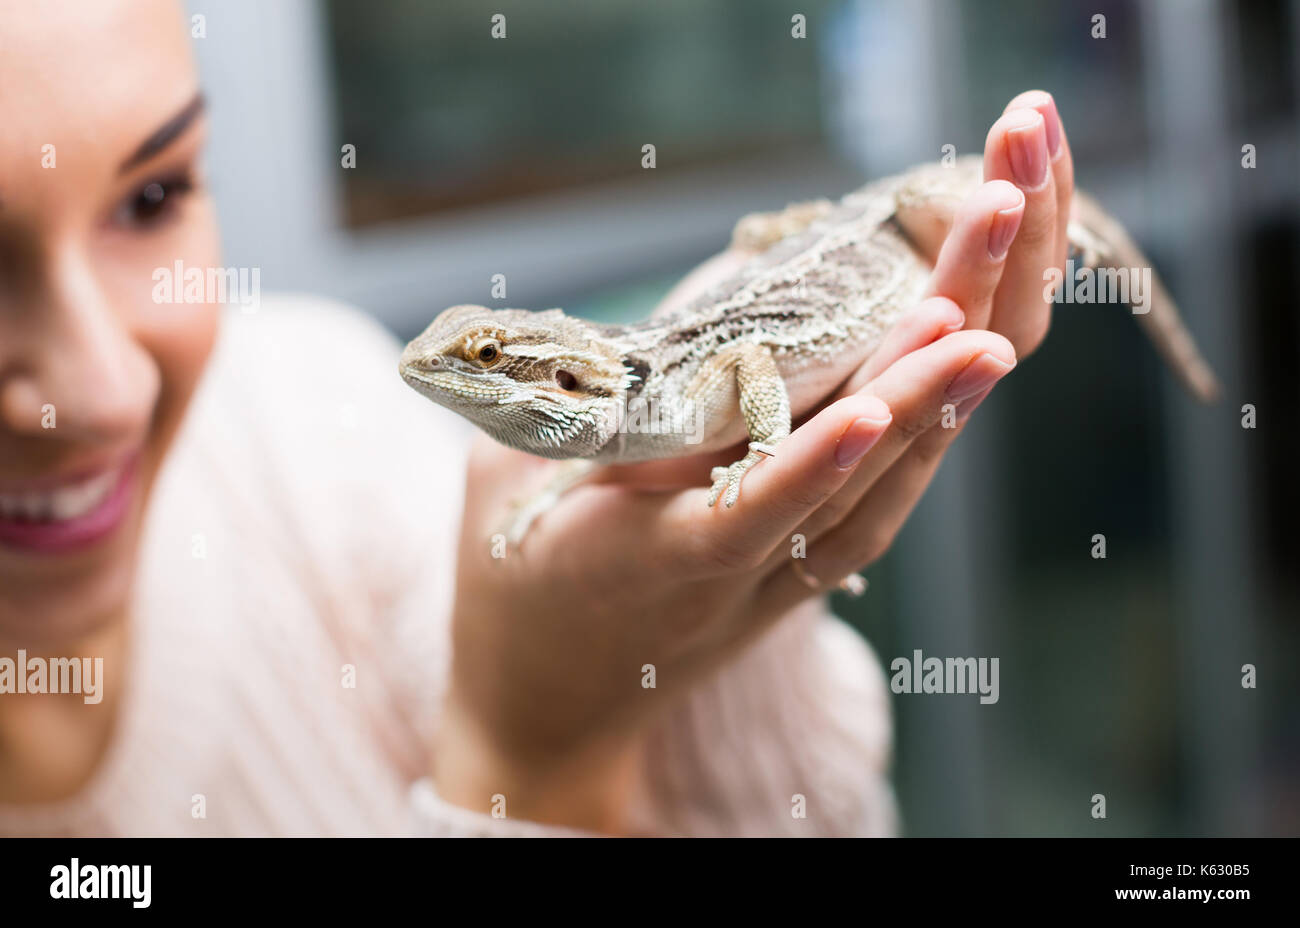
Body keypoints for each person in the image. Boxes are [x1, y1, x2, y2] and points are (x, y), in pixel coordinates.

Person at [0, 0, 1073, 836]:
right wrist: (527, 754)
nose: (99, 392)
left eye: (156, 194)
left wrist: (724, 614)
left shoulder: (323, 411)